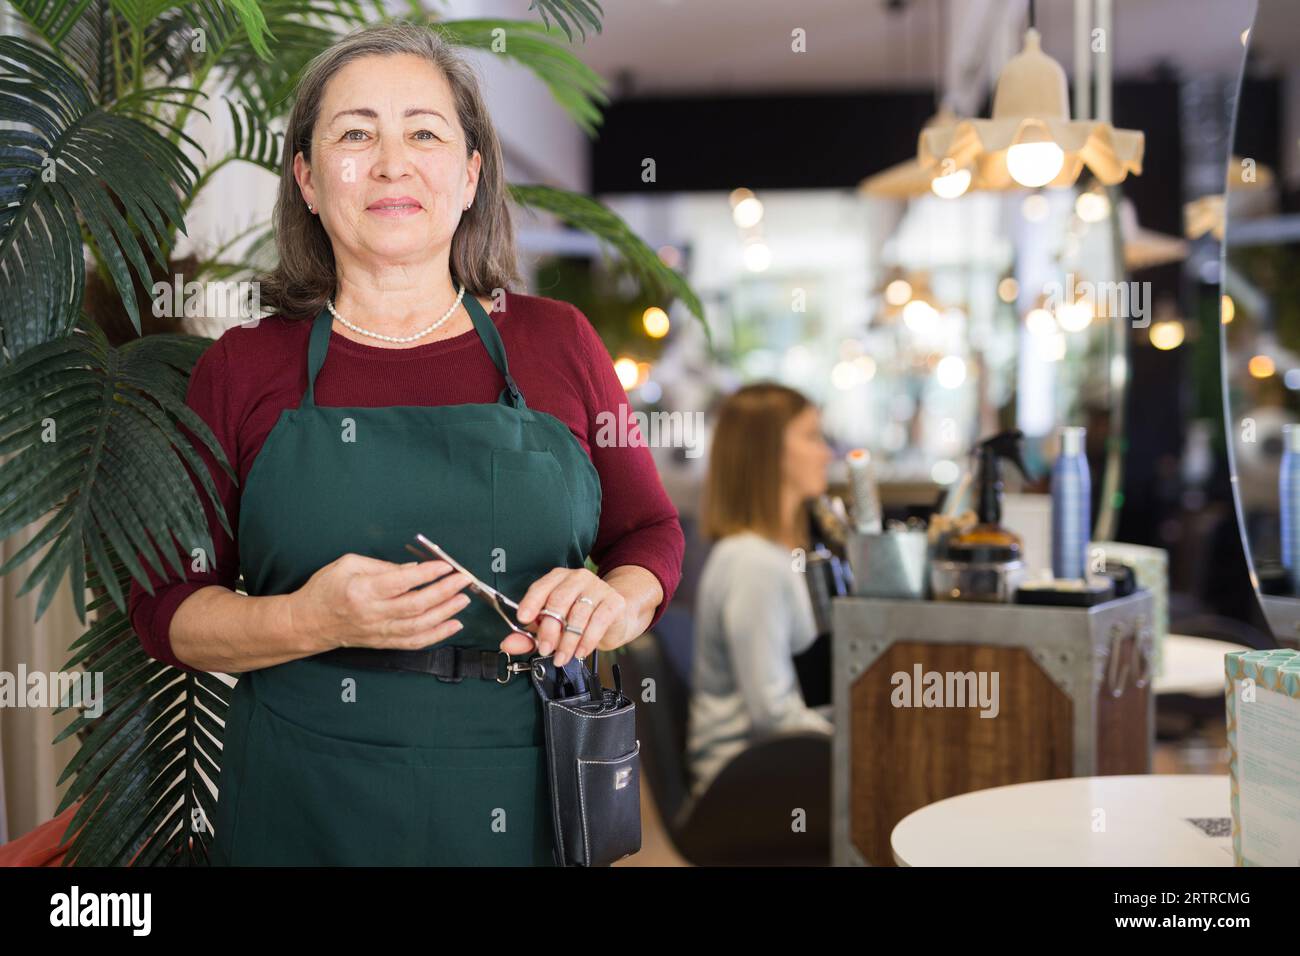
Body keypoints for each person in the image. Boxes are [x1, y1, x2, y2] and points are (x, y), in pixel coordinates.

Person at [127, 21, 683, 866]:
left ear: (468, 177)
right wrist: (309, 619)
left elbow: (651, 536)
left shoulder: (558, 342)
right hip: (304, 791)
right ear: (308, 180)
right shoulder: (244, 366)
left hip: (525, 782)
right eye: (356, 134)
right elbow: (167, 612)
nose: (392, 162)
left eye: (424, 132)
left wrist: (621, 600)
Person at [687, 383, 834, 798]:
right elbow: (772, 713)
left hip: (766, 761)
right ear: (768, 452)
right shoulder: (753, 564)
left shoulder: (769, 554)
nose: (826, 452)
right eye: (811, 436)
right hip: (742, 778)